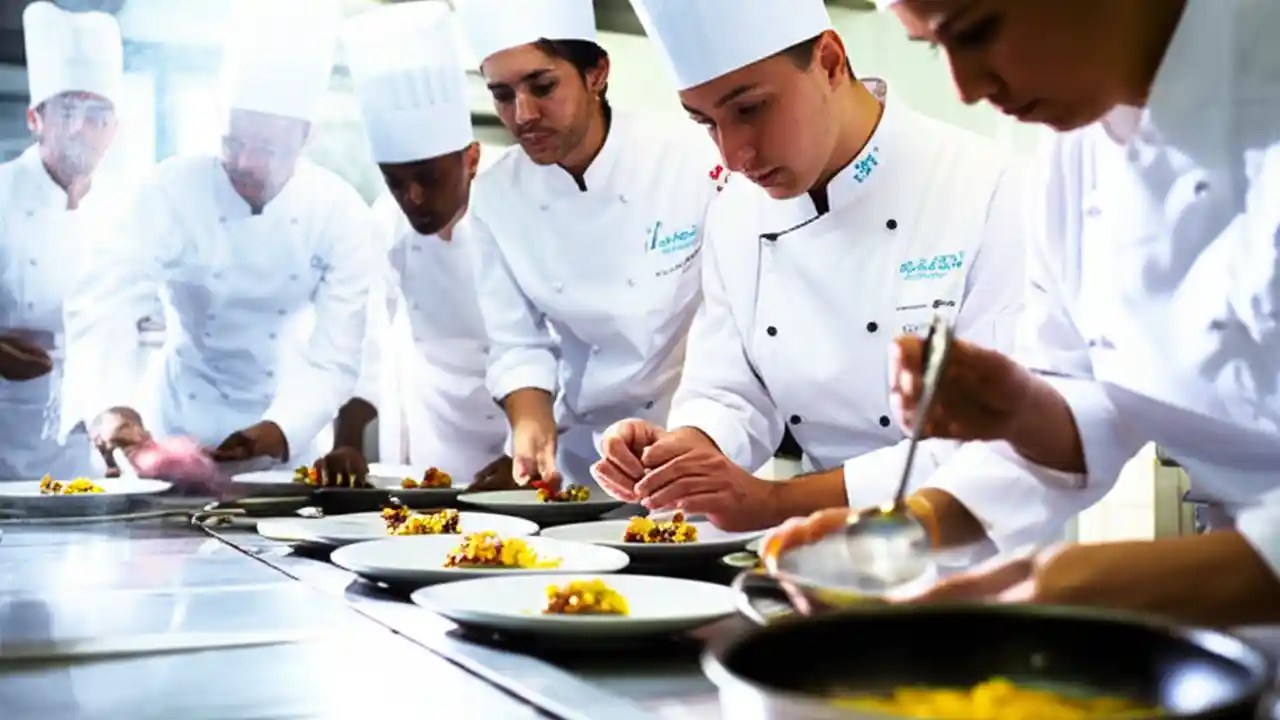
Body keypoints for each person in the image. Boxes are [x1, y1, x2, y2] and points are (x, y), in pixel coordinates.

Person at [766, 0, 1280, 626]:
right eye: (933, 46)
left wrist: (1073, 585)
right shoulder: (1077, 150)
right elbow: (1089, 401)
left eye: (979, 31)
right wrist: (1005, 420)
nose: (966, 88)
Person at [588, 0, 1026, 532]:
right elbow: (728, 390)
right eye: (707, 123)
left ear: (830, 61)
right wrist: (685, 451)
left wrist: (774, 501)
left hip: (982, 559)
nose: (734, 155)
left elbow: (994, 439)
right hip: (824, 554)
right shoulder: (735, 213)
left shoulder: (986, 186)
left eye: (750, 109)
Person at [64, 0, 378, 478]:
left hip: (284, 437)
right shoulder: (169, 190)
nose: (246, 162)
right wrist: (111, 405)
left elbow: (334, 354)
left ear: (306, 136)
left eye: (267, 147)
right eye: (233, 142)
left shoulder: (338, 211)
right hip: (169, 431)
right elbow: (107, 299)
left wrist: (280, 428)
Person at [452, 0, 728, 490]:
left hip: (697, 439)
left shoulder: (692, 159)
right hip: (582, 459)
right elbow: (518, 342)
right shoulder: (496, 196)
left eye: (543, 87)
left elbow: (733, 320)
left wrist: (703, 430)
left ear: (597, 72)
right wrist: (530, 423)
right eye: (501, 95)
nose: (523, 115)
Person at [336, 1, 511, 488]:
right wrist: (347, 438)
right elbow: (367, 331)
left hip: (523, 431)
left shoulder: (519, 204)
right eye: (394, 181)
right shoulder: (387, 220)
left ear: (471, 159)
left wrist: (527, 454)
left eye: (429, 178)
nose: (412, 198)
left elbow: (552, 344)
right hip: (434, 428)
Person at [0, 2, 123, 480]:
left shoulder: (125, 207)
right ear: (36, 118)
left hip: (91, 454)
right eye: (67, 111)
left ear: (114, 129)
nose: (80, 129)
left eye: (97, 115)